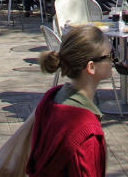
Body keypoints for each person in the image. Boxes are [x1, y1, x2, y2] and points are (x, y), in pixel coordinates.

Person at [28, 24, 110, 176]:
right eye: (109, 56)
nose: (113, 61)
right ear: (91, 67)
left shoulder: (53, 97)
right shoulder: (86, 131)